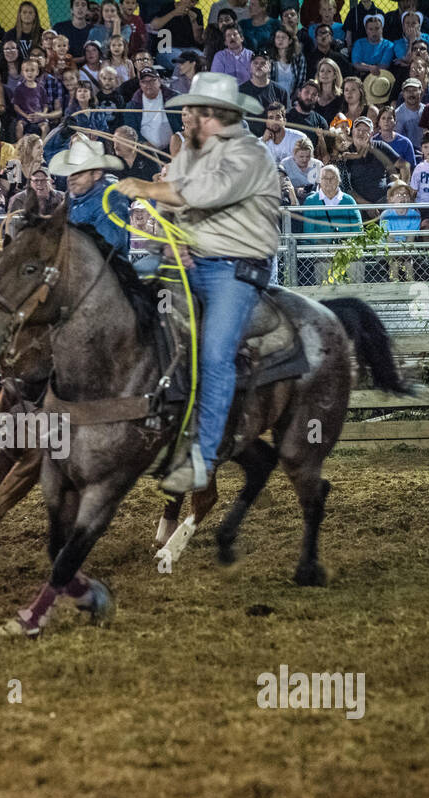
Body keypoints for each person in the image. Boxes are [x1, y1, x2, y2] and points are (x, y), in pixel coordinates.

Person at [116, 72, 280, 493]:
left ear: (217, 114)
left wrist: (146, 188)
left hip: (235, 269)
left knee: (214, 354)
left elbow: (203, 193)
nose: (186, 115)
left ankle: (202, 459)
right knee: (122, 298)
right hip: (191, 266)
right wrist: (173, 240)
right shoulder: (192, 150)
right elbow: (176, 207)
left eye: (195, 109)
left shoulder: (250, 154)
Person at [47, 136, 130, 256]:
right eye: (70, 173)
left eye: (79, 173)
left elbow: (110, 242)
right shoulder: (73, 196)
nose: (71, 179)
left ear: (96, 174)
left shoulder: (112, 197)